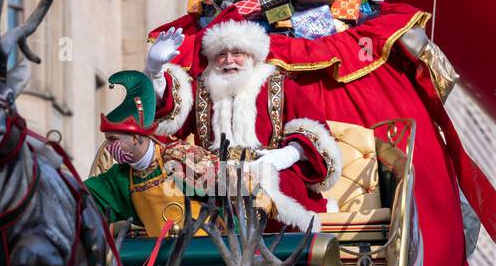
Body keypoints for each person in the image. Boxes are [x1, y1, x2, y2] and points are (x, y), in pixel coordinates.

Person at [145, 19, 341, 231]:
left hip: (271, 169)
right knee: (179, 180)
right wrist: (155, 73)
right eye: (221, 55)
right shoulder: (201, 90)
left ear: (252, 56)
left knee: (281, 188)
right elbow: (169, 112)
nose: (229, 61)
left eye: (237, 53)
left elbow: (315, 131)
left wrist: (288, 154)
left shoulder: (282, 86)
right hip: (213, 175)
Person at [84, 70, 194, 237]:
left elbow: (227, 185)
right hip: (162, 260)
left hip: (205, 256)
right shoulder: (120, 178)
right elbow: (82, 197)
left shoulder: (179, 157)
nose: (108, 147)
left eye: (113, 139)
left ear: (135, 137)